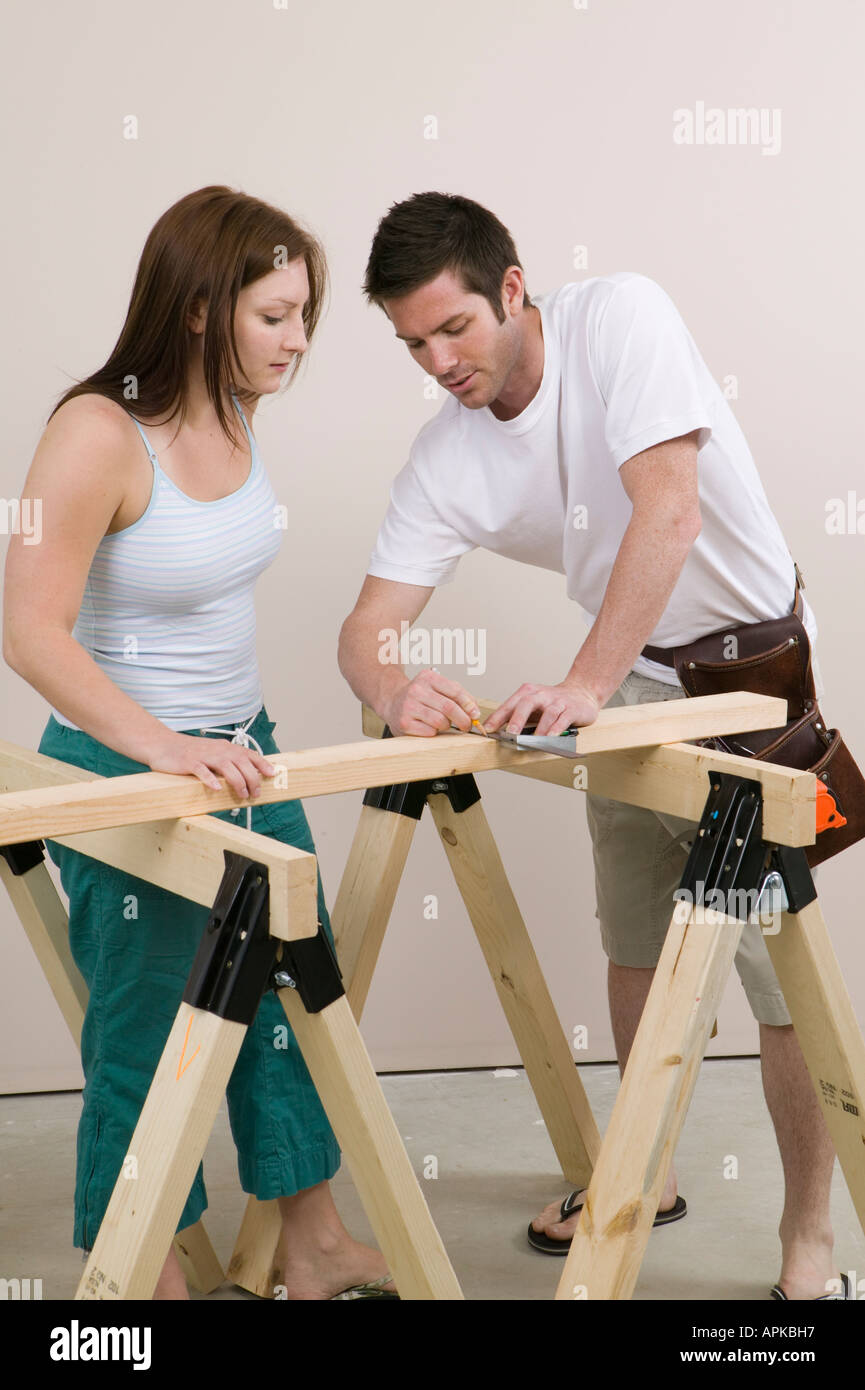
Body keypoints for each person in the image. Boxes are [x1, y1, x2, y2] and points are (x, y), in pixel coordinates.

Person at [337, 190, 845, 1301]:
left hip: (741, 686)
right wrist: (393, 682)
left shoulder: (620, 318)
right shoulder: (446, 454)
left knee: (776, 983)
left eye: (453, 329)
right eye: (412, 342)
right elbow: (364, 628)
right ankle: (641, 1169)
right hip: (624, 702)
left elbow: (669, 513)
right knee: (633, 944)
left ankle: (807, 1238)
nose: (438, 361)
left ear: (512, 288)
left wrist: (581, 682)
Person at [3, 185, 397, 1301]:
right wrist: (160, 746)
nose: (298, 340)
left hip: (239, 749)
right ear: (197, 305)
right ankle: (140, 1273)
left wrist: (212, 741)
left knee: (284, 995)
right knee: (148, 1031)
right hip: (125, 765)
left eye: (305, 314)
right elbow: (27, 628)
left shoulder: (236, 408)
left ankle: (311, 1244)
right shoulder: (93, 433)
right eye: (275, 314)